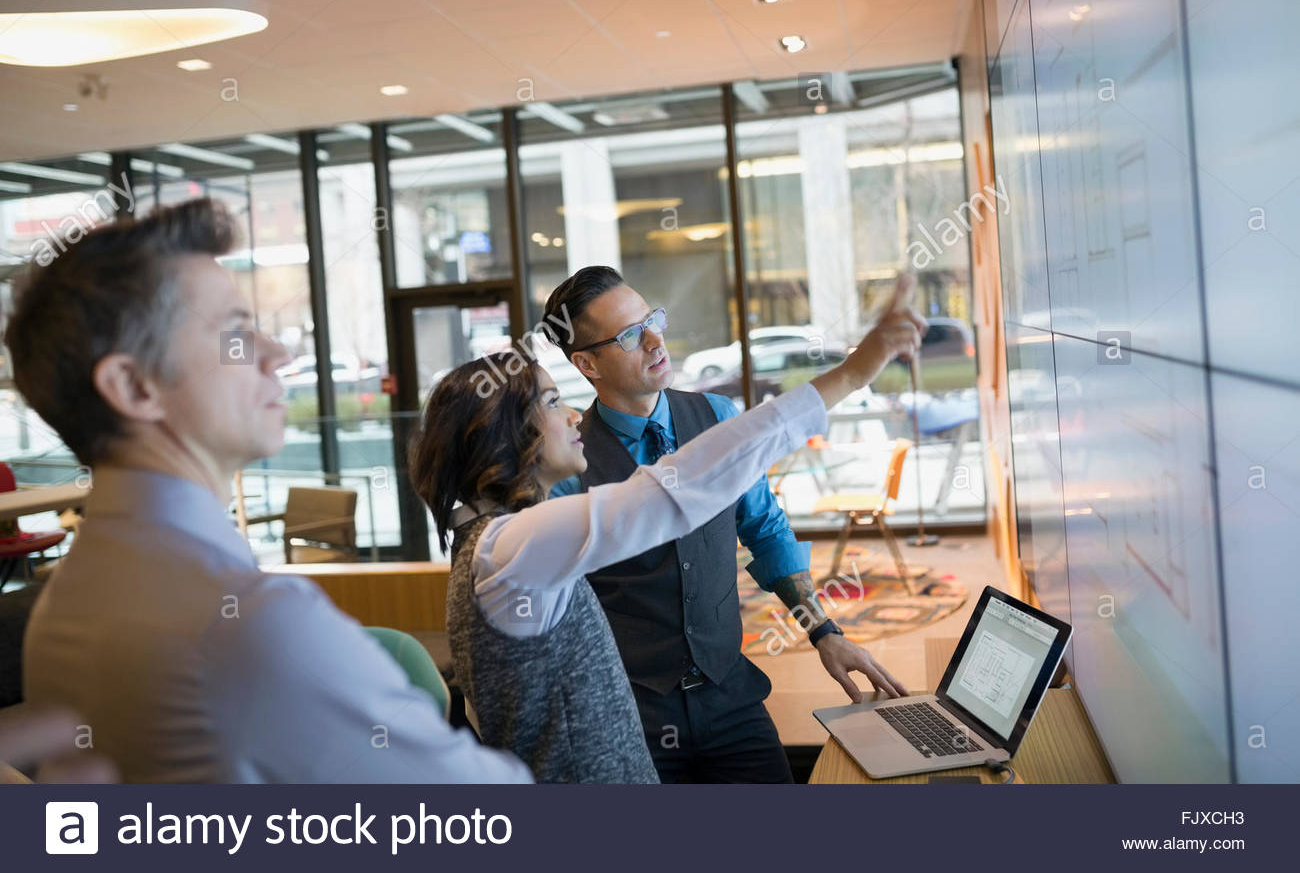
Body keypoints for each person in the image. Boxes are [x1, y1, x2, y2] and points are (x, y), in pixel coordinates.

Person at [4, 199, 530, 784]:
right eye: (233, 332)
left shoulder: (59, 612)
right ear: (132, 385)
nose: (276, 353)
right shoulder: (250, 626)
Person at [409, 273, 923, 783]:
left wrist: (822, 631)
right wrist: (853, 374)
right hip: (639, 720)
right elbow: (670, 495)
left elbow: (764, 529)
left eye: (652, 320)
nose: (655, 339)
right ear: (586, 364)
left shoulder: (492, 539)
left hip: (727, 695)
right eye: (631, 335)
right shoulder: (522, 536)